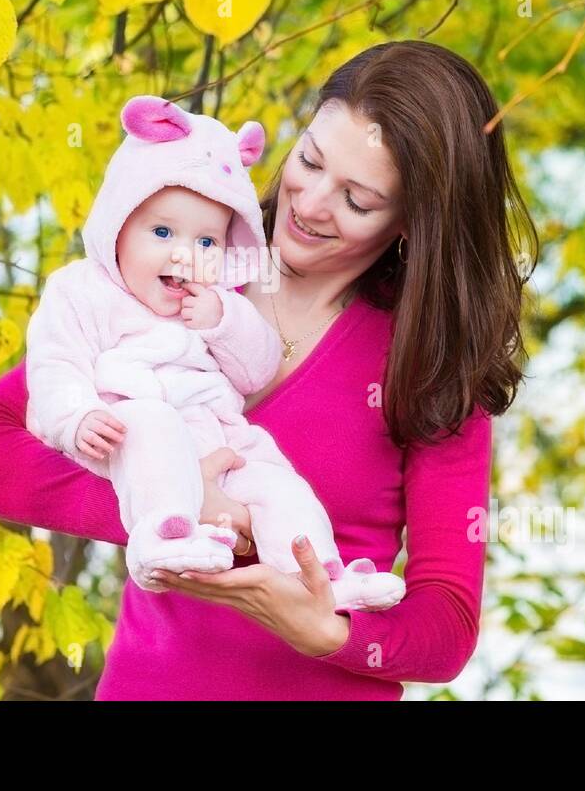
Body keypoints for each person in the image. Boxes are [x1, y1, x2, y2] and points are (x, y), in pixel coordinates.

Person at [0, 40, 538, 700]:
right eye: (309, 159)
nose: (310, 203)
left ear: (414, 222)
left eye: (357, 199)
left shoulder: (431, 365)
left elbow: (445, 625)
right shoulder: (180, 269)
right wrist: (174, 505)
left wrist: (329, 632)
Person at [22, 94, 406, 609]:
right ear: (117, 225)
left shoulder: (218, 301)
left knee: (280, 483)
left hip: (222, 435)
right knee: (152, 425)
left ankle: (322, 578)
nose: (185, 254)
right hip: (126, 431)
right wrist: (76, 418)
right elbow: (54, 366)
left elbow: (256, 369)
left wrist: (223, 321)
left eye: (207, 242)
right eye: (161, 232)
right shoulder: (84, 291)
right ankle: (163, 540)